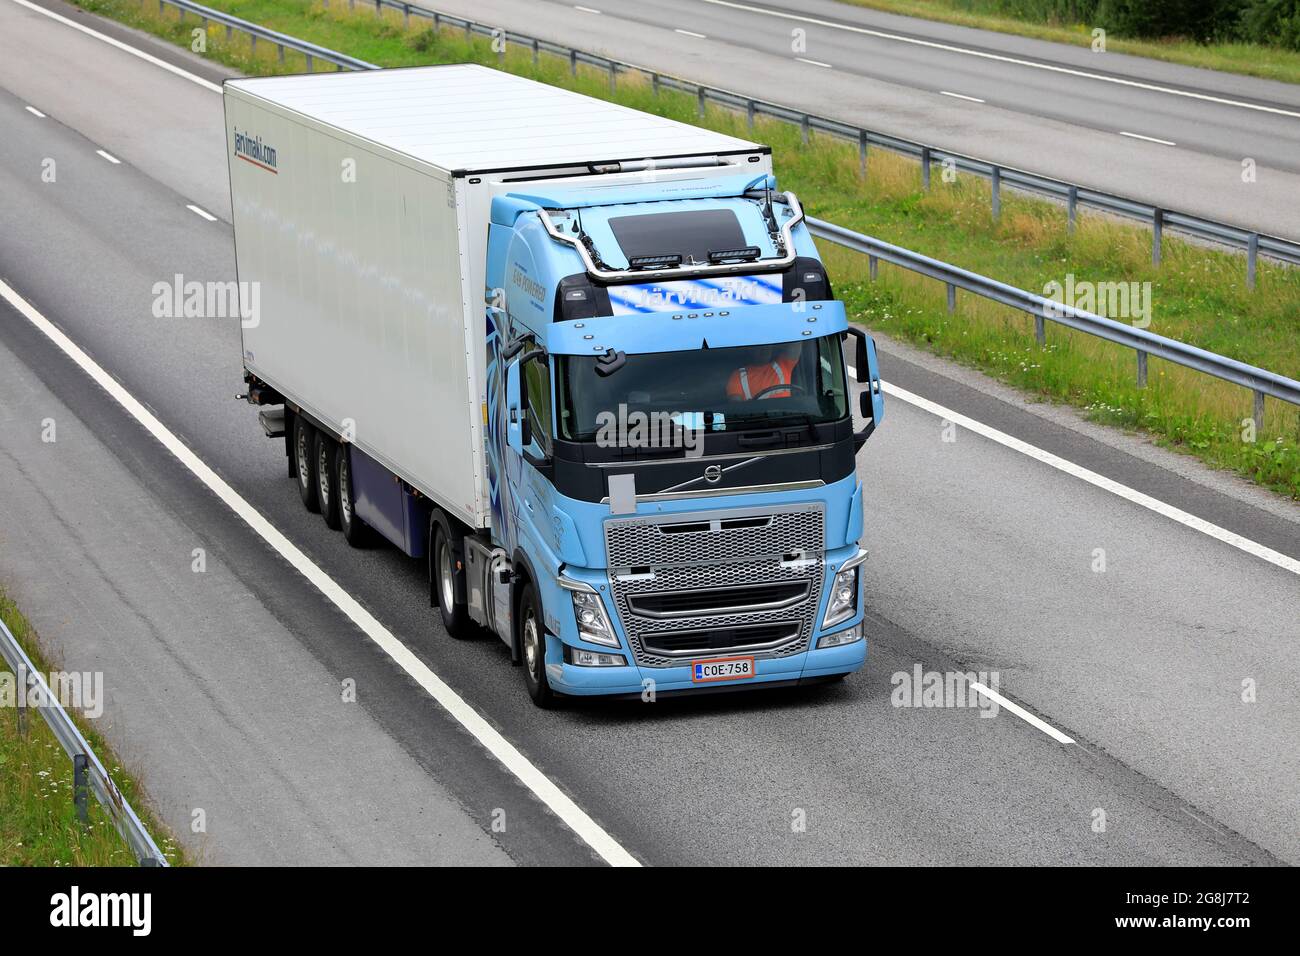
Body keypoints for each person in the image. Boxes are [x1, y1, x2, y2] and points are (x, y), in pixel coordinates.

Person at [726, 342, 801, 401]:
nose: (764, 350)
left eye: (767, 346)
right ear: (750, 350)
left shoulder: (783, 364)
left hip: (788, 415)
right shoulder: (738, 375)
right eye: (759, 347)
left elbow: (797, 340)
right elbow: (736, 406)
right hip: (758, 418)